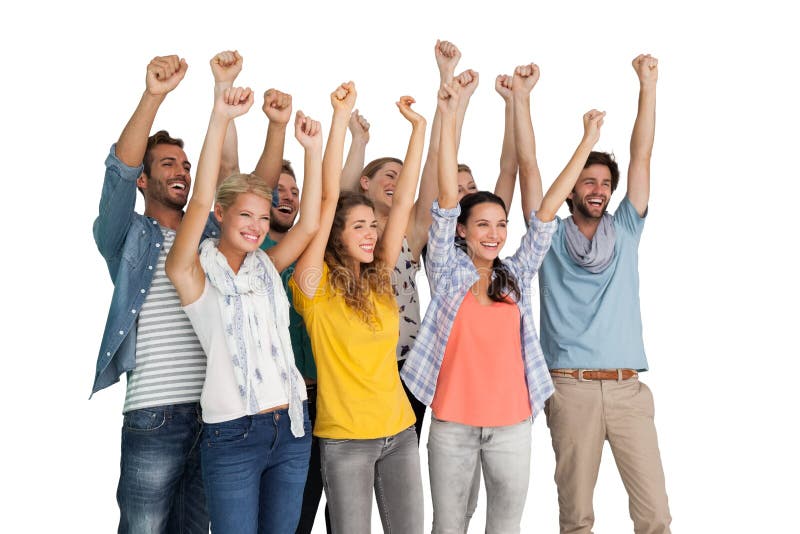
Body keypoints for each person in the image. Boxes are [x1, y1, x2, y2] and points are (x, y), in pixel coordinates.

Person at [401, 75, 606, 533]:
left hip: (512, 426)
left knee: (505, 527)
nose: (493, 234)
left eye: (500, 225)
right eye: (482, 225)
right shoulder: (447, 270)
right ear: (462, 231)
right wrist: (450, 111)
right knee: (449, 525)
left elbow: (548, 209)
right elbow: (447, 198)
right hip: (452, 426)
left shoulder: (515, 275)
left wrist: (587, 140)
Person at [92, 52, 242, 533]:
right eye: (167, 164)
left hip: (215, 412)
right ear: (144, 180)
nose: (182, 169)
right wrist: (154, 94)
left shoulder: (209, 237)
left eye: (185, 163)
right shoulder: (126, 236)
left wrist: (224, 91)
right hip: (154, 413)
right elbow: (119, 169)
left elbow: (229, 177)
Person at [165, 79, 323, 533]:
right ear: (221, 214)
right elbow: (197, 201)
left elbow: (309, 223)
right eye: (244, 215)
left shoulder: (268, 268)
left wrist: (311, 149)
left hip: (291, 428)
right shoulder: (192, 273)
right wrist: (220, 117)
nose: (256, 227)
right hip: (232, 435)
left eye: (262, 216)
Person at [536, 54, 671, 533]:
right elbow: (531, 171)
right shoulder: (547, 236)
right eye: (588, 182)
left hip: (627, 388)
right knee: (576, 517)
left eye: (605, 184)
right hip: (570, 388)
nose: (598, 189)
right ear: (571, 190)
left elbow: (642, 155)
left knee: (655, 512)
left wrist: (648, 86)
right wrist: (527, 105)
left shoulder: (626, 229)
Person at [289, 82, 427, 533]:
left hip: (401, 432)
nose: (371, 233)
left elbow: (404, 201)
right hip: (346, 441)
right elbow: (328, 201)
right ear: (336, 235)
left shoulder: (380, 276)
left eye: (374, 225)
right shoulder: (313, 286)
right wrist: (340, 119)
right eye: (360, 226)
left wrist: (418, 128)